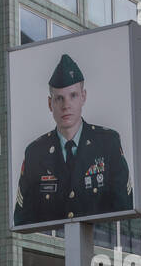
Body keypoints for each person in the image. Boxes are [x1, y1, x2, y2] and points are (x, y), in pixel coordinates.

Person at [13, 53, 132, 226]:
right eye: (59, 98)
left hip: (100, 245)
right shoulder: (35, 153)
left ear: (83, 97)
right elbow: (23, 220)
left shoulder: (108, 143)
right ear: (49, 104)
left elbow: (125, 208)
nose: (66, 105)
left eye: (73, 96)